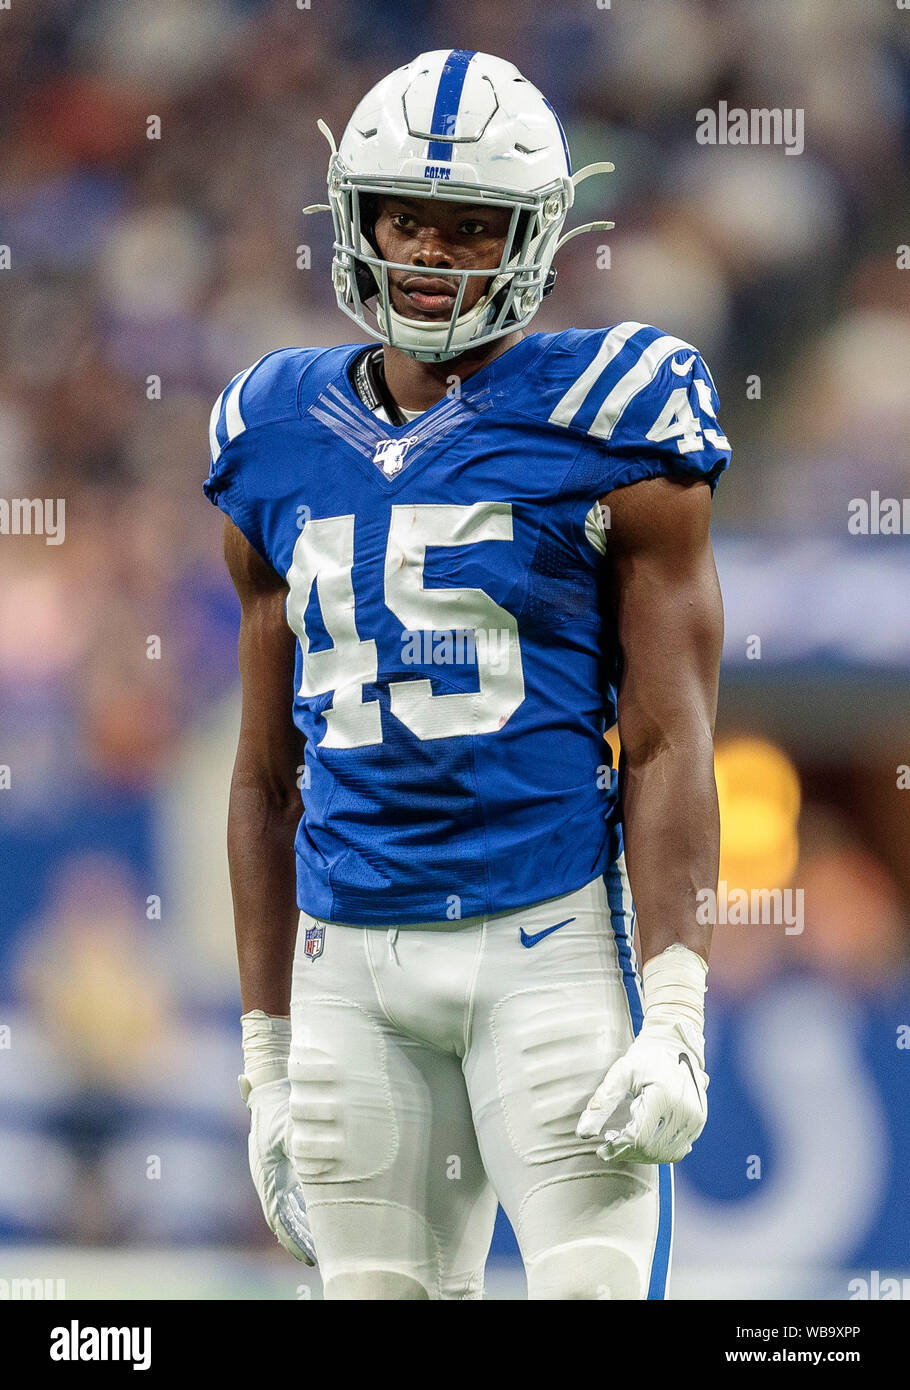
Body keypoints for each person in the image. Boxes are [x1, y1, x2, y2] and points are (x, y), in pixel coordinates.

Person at [204, 49, 729, 1300]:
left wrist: (676, 1010)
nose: (433, 254)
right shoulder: (267, 434)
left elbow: (668, 740)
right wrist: (265, 1058)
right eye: (407, 219)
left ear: (531, 239)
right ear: (356, 220)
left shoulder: (613, 410)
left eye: (470, 227)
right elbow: (264, 781)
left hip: (548, 943)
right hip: (348, 970)